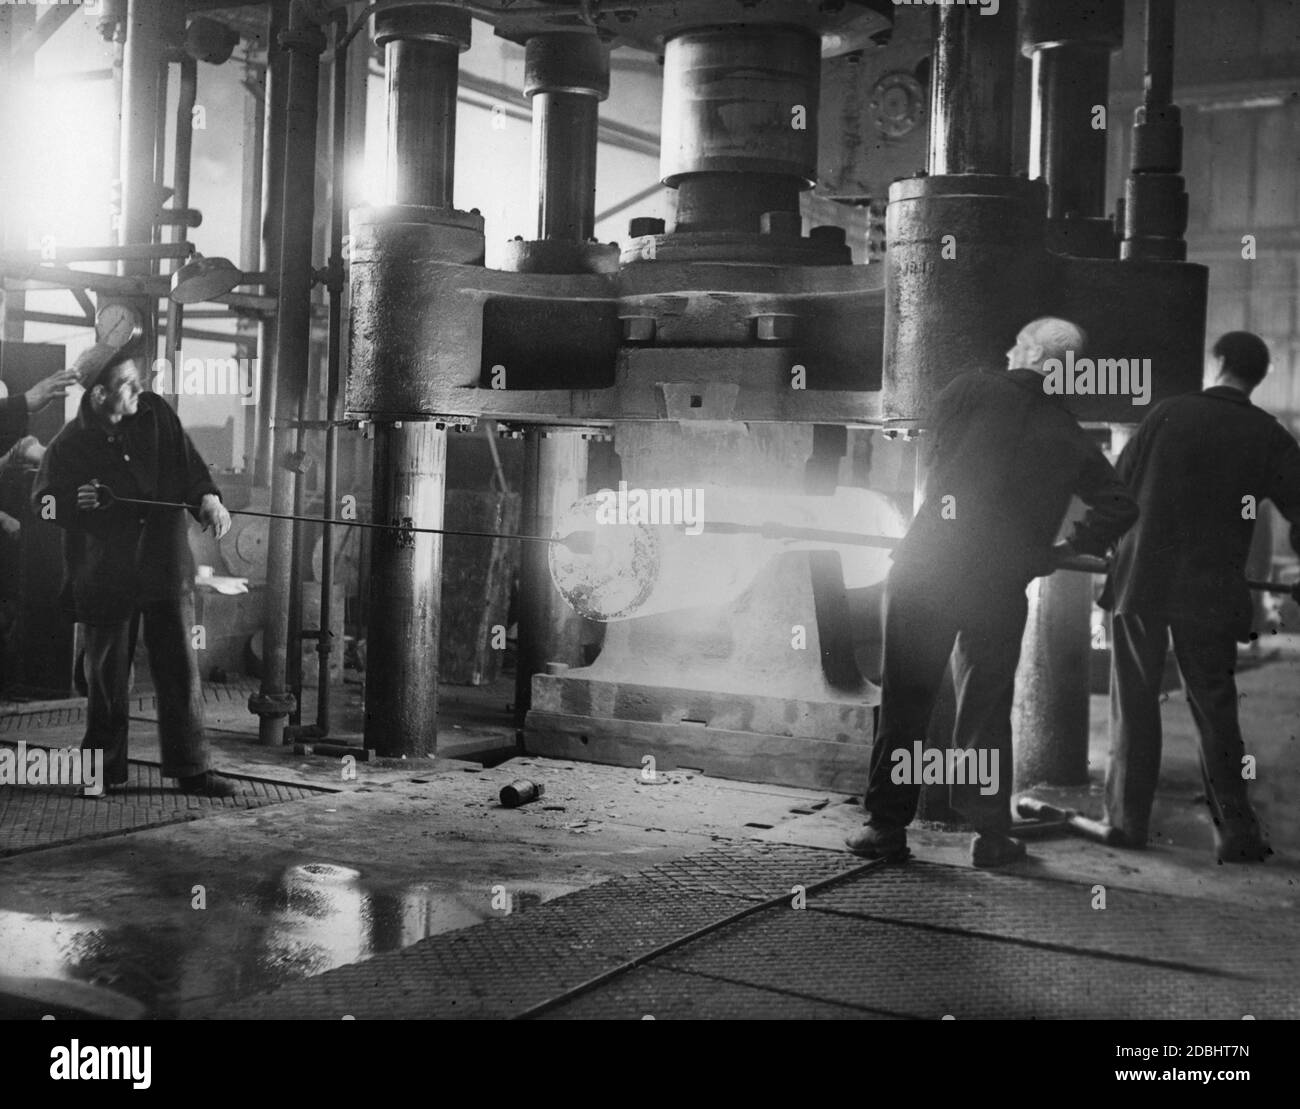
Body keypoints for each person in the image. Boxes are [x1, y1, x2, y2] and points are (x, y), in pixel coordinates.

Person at [848, 317, 1139, 867]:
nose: (1007, 349)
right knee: (986, 708)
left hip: (928, 569)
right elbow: (1123, 504)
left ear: (1027, 350)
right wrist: (1056, 550)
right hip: (999, 585)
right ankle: (989, 835)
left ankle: (885, 829)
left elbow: (934, 448)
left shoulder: (971, 388)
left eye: (1014, 343)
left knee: (907, 701)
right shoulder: (1069, 433)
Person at [1101, 331, 1300, 862]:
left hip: (1142, 580)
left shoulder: (1168, 413)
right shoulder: (1268, 434)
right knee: (1215, 708)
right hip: (1212, 590)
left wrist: (1098, 551)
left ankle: (1127, 823)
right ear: (1259, 377)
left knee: (1135, 702)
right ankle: (1236, 832)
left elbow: (1116, 489)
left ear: (1216, 362)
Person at [31, 349, 237, 797]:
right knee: (107, 682)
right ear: (100, 394)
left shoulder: (156, 414)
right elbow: (42, 504)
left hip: (165, 567)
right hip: (105, 577)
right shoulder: (70, 443)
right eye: (127, 384)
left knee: (181, 672)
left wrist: (208, 499)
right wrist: (71, 504)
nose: (138, 390)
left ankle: (192, 769)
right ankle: (101, 771)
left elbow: (190, 469)